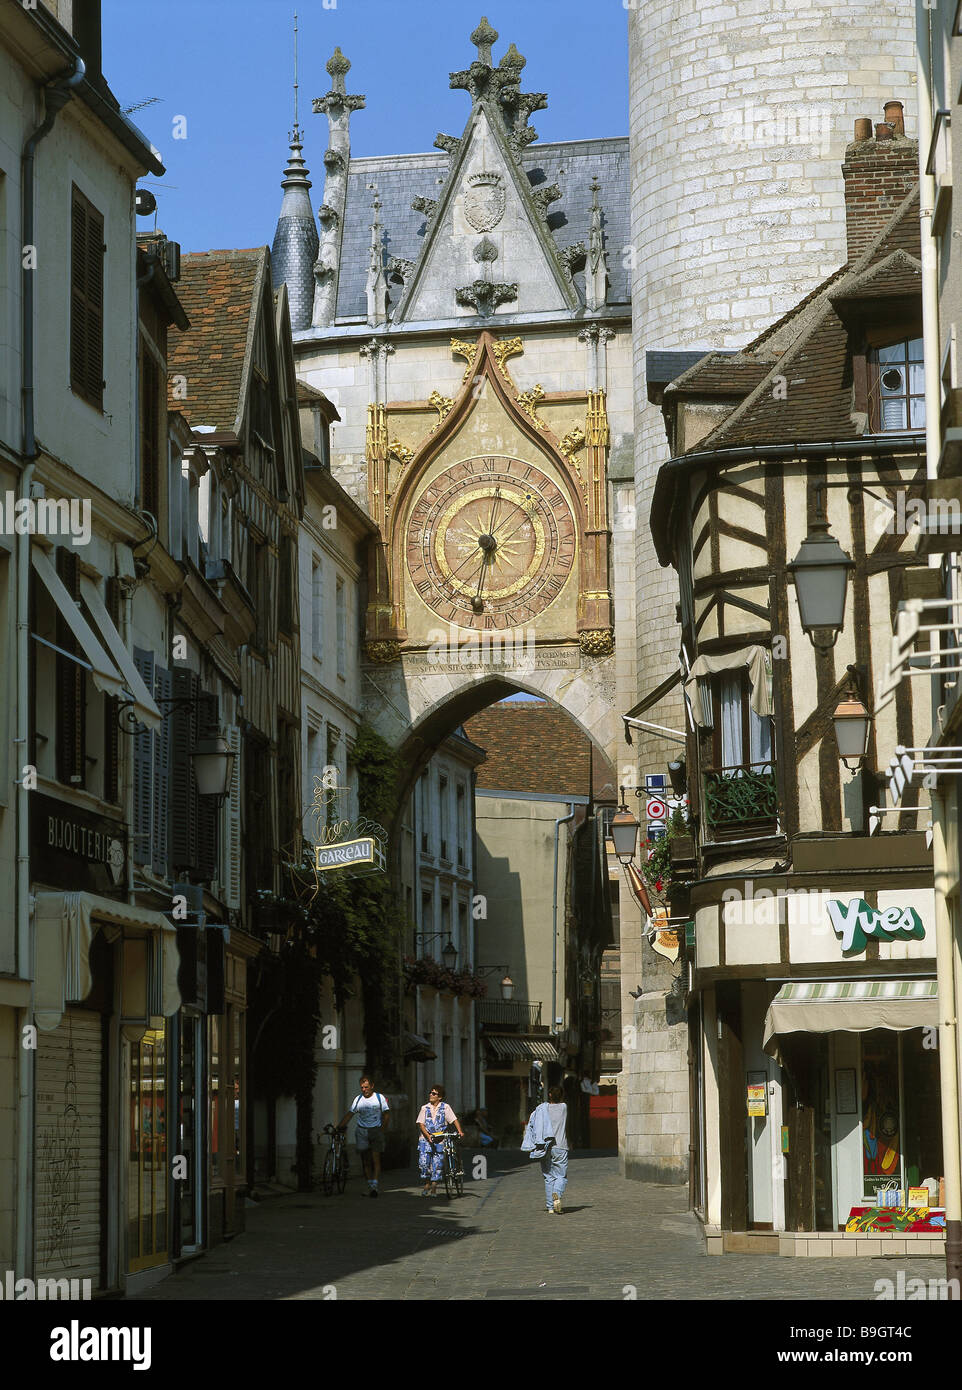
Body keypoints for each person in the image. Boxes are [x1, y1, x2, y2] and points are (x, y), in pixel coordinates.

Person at [338, 1075, 390, 1198]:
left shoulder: (379, 1098)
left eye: (366, 1087)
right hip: (362, 1132)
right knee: (365, 1160)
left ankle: (375, 1186)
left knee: (375, 1159)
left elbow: (387, 1114)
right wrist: (340, 1126)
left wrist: (382, 1130)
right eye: (362, 1087)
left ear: (372, 1086)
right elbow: (350, 1114)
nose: (364, 1090)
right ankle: (370, 1185)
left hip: (375, 1131)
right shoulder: (358, 1099)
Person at [522, 1085, 568, 1214]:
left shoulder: (542, 1109)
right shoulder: (564, 1107)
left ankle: (550, 1207)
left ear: (550, 1095)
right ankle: (557, 1194)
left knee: (548, 1177)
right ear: (562, 1096)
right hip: (561, 1146)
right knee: (561, 1175)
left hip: (545, 1146)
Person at [415, 1084, 464, 1196]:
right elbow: (421, 1124)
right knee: (424, 1163)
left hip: (440, 1139)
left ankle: (433, 1187)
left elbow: (454, 1120)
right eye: (430, 1093)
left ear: (440, 1097)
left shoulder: (445, 1107)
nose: (431, 1095)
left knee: (437, 1164)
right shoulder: (424, 1108)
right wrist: (427, 1136)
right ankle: (427, 1183)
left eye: (434, 1093)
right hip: (425, 1139)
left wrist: (460, 1131)